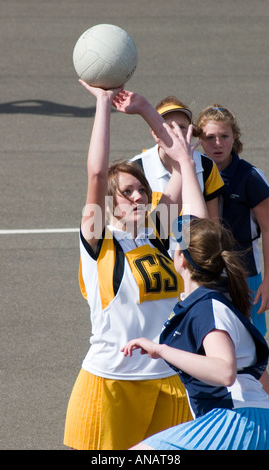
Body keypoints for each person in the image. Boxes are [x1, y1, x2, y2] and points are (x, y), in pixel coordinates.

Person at [63, 82, 207, 450]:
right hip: (111, 382)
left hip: (168, 380)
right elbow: (96, 174)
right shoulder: (99, 239)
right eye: (127, 192)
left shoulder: (156, 233)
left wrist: (146, 109)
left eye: (141, 188)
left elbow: (178, 161)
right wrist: (103, 104)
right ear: (110, 204)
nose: (140, 195)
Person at [122, 126, 269, 449]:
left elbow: (224, 370)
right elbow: (197, 222)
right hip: (255, 421)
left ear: (180, 260)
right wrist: (185, 160)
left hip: (237, 423)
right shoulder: (219, 287)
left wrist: (159, 350)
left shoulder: (206, 307)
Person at [195, 104, 269, 339]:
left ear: (235, 137)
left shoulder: (250, 177)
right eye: (209, 137)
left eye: (224, 136)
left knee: (251, 342)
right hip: (205, 271)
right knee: (210, 338)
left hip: (245, 271)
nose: (217, 143)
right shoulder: (192, 171)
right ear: (199, 139)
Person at [130, 96, 224, 220]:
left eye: (182, 126)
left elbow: (213, 223)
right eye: (168, 127)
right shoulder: (135, 168)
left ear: (191, 130)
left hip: (195, 238)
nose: (176, 132)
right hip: (153, 238)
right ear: (154, 132)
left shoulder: (207, 165)